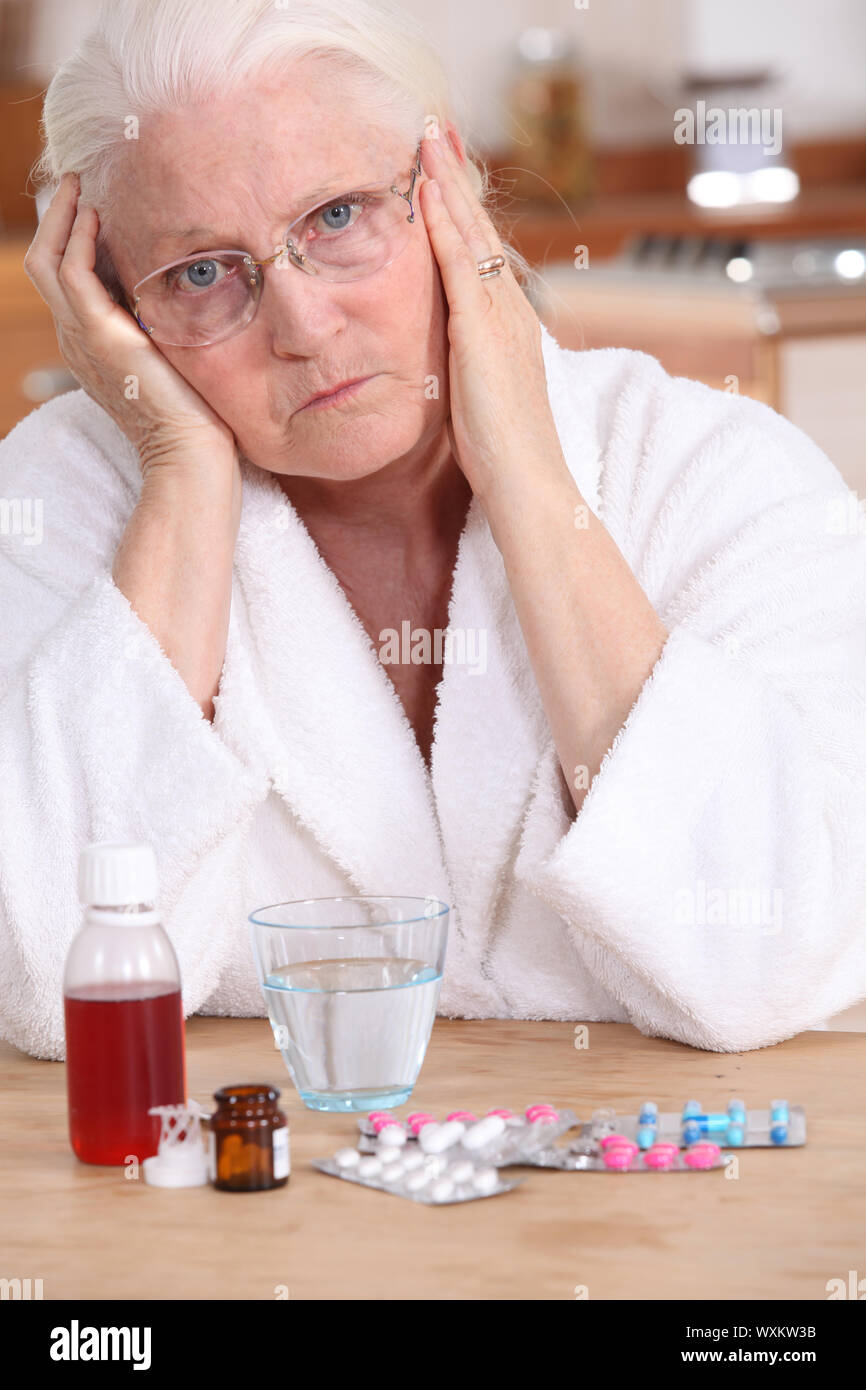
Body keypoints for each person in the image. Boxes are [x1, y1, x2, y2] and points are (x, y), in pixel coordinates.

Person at [2, 0, 865, 1062]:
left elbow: (767, 961)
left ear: (444, 185)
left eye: (334, 217)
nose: (303, 327)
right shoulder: (60, 502)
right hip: (246, 1214)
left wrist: (532, 483)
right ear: (111, 309)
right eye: (200, 274)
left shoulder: (715, 473)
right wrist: (179, 479)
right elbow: (49, 986)